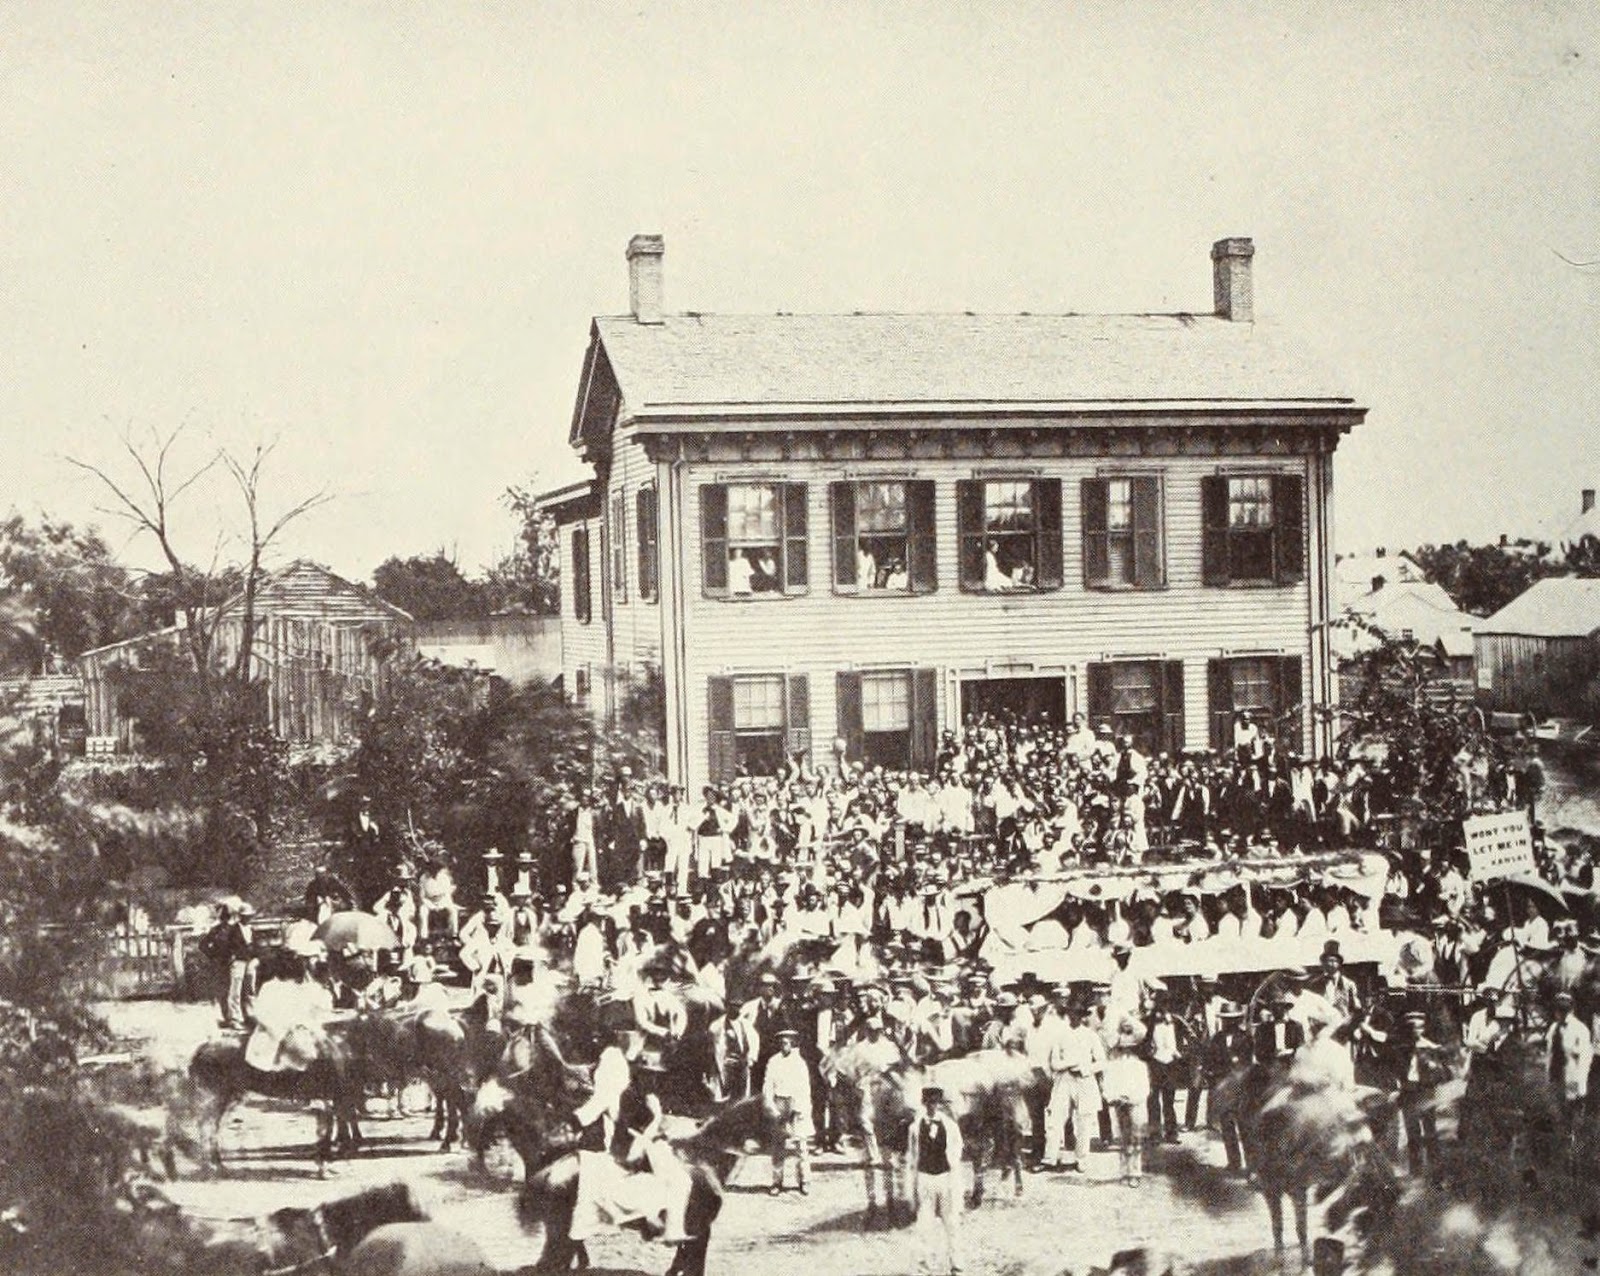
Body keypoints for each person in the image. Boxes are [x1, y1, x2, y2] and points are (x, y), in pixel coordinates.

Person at [245, 940, 332, 1072]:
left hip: (294, 1030)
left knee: (312, 1042)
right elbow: (260, 1013)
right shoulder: (271, 987)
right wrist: (278, 1028)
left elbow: (308, 1010)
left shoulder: (299, 988)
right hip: (273, 1032)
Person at [908, 1085, 964, 1276]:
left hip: (945, 1178)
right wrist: (913, 1186)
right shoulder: (915, 1127)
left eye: (936, 1102)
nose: (932, 1106)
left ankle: (956, 1264)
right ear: (924, 1104)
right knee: (924, 1224)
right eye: (929, 1102)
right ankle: (925, 1267)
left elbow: (957, 1150)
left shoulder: (950, 1126)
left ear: (940, 1104)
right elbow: (912, 1156)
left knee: (951, 1222)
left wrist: (953, 1173)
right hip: (925, 1179)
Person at [762, 1028, 813, 1195]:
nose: (784, 1045)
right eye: (781, 1042)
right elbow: (767, 1085)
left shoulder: (800, 1063)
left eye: (787, 1042)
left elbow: (804, 1088)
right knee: (778, 1147)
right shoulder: (773, 1061)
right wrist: (772, 1107)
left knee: (801, 1145)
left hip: (795, 1104)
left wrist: (797, 1109)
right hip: (779, 1103)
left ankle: (804, 1181)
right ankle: (777, 1182)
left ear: (793, 1043)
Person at [204, 900, 255, 1031]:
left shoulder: (250, 929)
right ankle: (233, 1019)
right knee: (232, 991)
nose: (225, 919)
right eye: (223, 917)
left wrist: (255, 957)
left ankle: (249, 1016)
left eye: (227, 917)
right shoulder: (229, 930)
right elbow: (225, 946)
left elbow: (255, 945)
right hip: (233, 962)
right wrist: (216, 956)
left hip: (248, 962)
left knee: (249, 990)